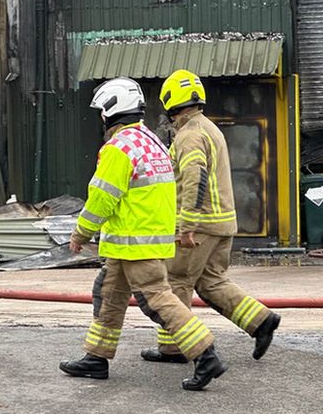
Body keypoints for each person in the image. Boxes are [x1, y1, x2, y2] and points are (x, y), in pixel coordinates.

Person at [59, 77, 227, 391]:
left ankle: (206, 354)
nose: (101, 119)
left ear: (111, 111)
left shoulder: (119, 148)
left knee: (161, 301)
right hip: (141, 243)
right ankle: (96, 358)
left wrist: (81, 233)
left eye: (101, 112)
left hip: (135, 244)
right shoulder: (153, 142)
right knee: (109, 296)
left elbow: (102, 198)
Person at [142, 69, 281, 365]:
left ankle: (174, 348)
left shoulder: (189, 136)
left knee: (175, 282)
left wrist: (187, 226)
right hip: (221, 223)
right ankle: (261, 321)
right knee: (211, 282)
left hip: (200, 227)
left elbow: (195, 179)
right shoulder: (208, 128)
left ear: (170, 101)